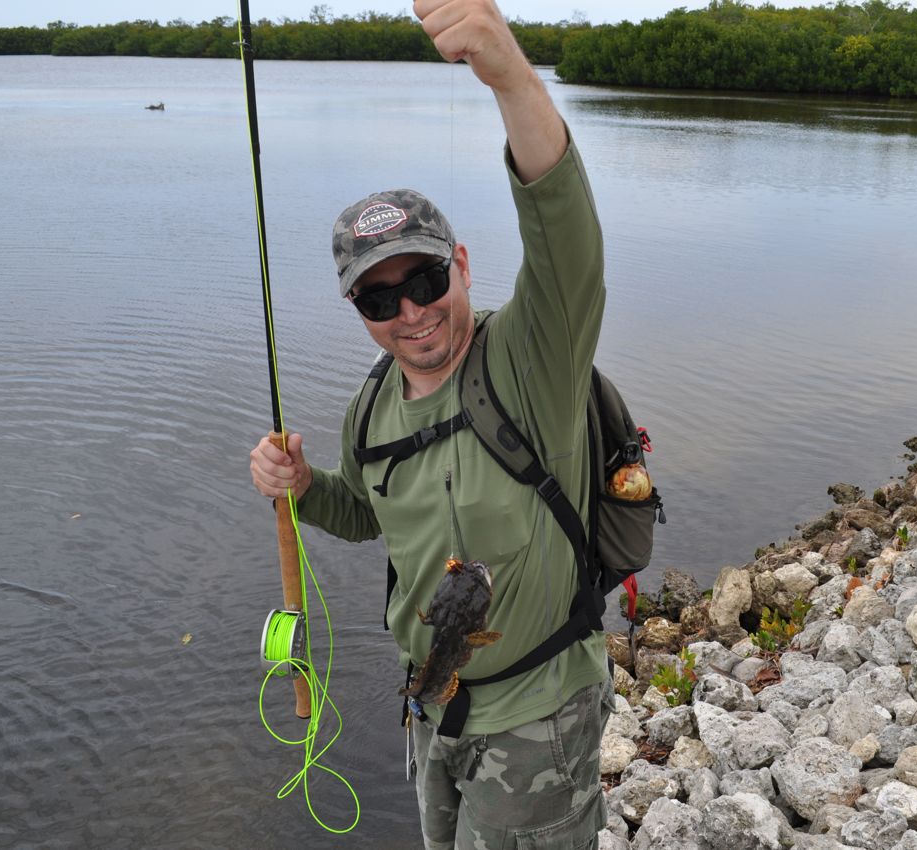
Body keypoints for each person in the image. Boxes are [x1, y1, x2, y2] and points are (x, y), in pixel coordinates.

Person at [248, 1, 611, 847]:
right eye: (380, 297)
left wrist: (509, 75)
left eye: (426, 281)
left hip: (537, 711)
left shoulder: (533, 359)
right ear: (356, 308)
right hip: (430, 704)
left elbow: (566, 238)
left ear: (463, 267)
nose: (411, 312)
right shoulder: (370, 409)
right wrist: (302, 489)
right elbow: (368, 514)